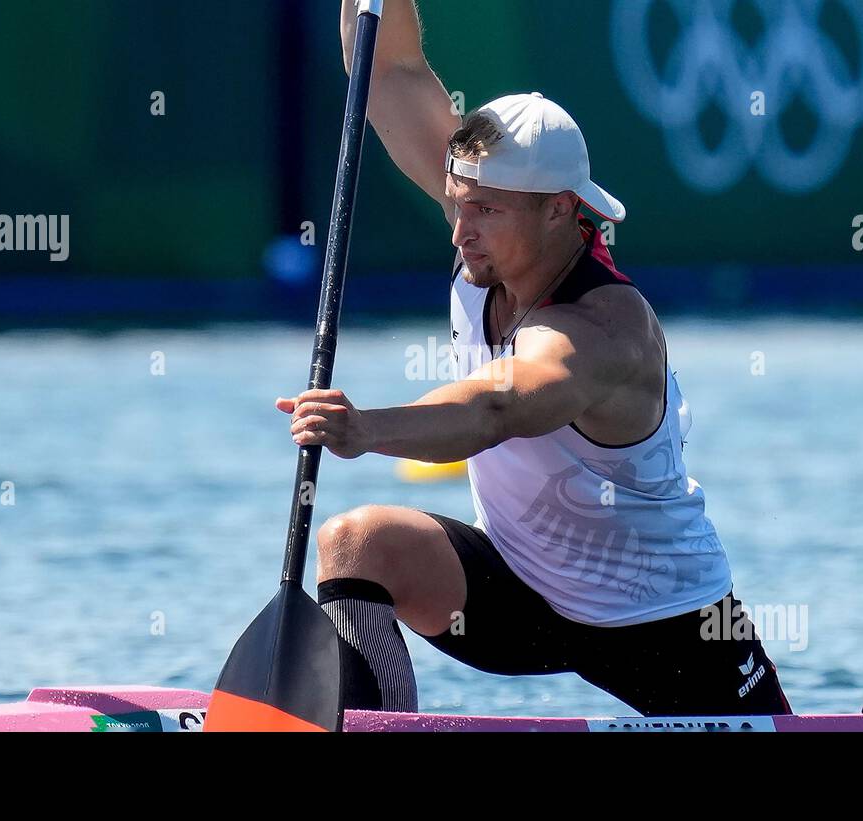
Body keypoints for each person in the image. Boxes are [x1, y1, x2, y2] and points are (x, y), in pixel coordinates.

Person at [275, 0, 794, 717]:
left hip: (663, 621)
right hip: (517, 591)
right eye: (458, 202)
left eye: (485, 210)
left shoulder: (604, 328)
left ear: (560, 209)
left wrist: (366, 429)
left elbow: (498, 407)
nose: (461, 229)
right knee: (358, 543)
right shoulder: (491, 226)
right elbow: (391, 72)